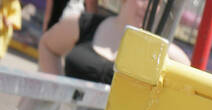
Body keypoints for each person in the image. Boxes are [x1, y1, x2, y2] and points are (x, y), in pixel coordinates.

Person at [39, 0, 189, 81]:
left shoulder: (157, 52)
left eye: (157, 2)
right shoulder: (86, 24)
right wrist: (56, 92)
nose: (149, 7)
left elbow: (186, 69)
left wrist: (163, 48)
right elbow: (47, 45)